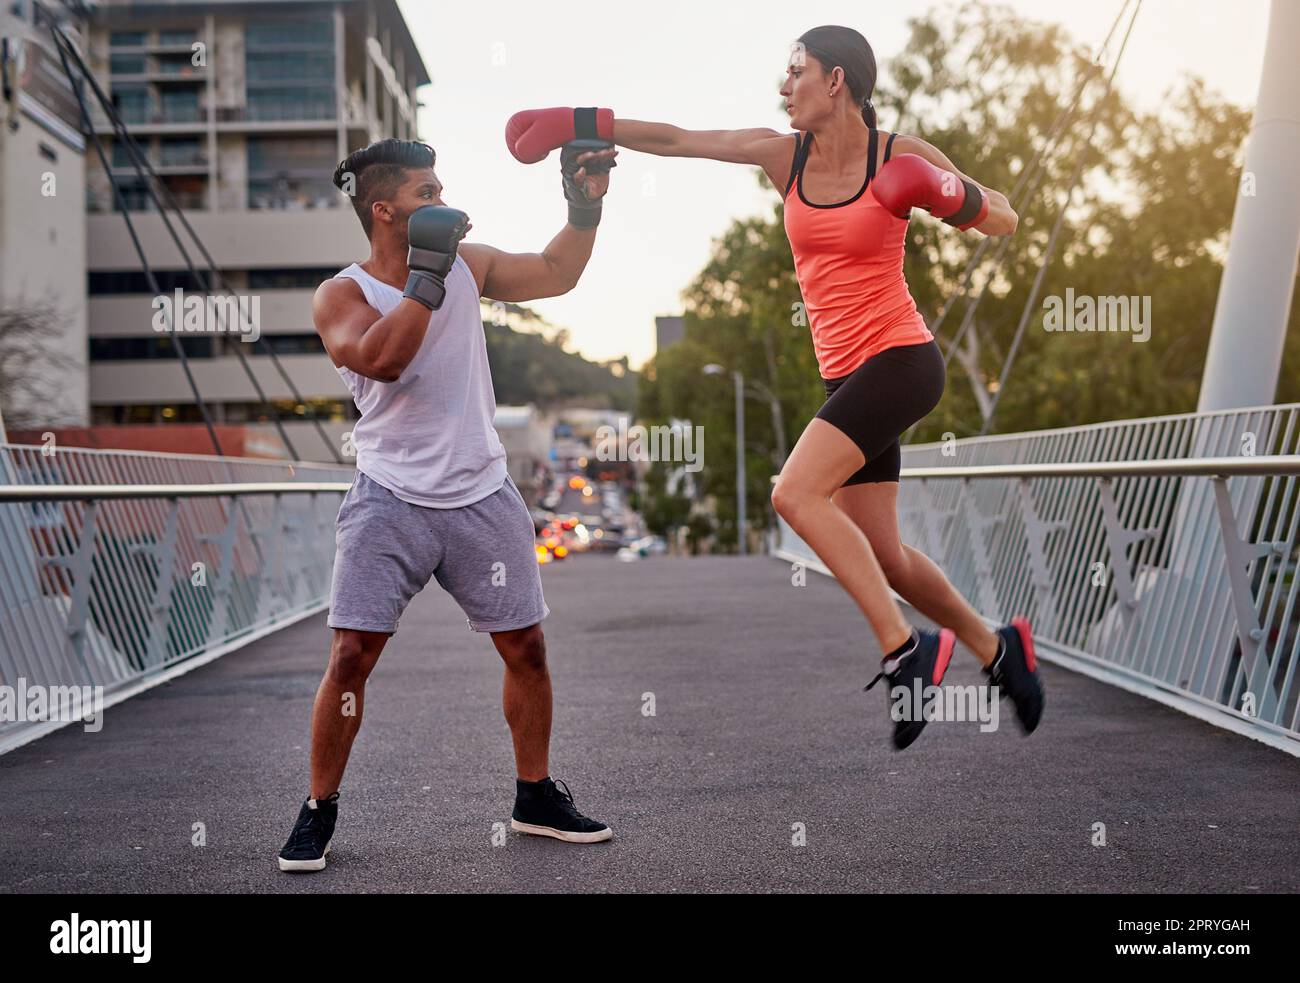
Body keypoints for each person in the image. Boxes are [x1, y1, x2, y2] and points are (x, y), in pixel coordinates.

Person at [507, 25, 1044, 751]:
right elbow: (676, 138)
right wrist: (576, 122)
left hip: (903, 360)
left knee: (792, 493)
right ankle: (998, 647)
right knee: (886, 555)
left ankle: (902, 649)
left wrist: (949, 193)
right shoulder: (780, 157)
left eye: (797, 71)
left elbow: (1006, 218)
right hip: (845, 376)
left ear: (837, 82)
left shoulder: (900, 154)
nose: (782, 86)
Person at [277, 135, 616, 872]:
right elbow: (382, 360)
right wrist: (425, 277)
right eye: (427, 193)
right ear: (385, 209)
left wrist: (583, 203)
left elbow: (558, 273)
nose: (445, 202)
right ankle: (317, 808)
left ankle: (534, 795)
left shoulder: (469, 265)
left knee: (526, 646)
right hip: (388, 498)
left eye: (441, 189)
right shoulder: (342, 293)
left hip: (481, 492)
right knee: (350, 657)